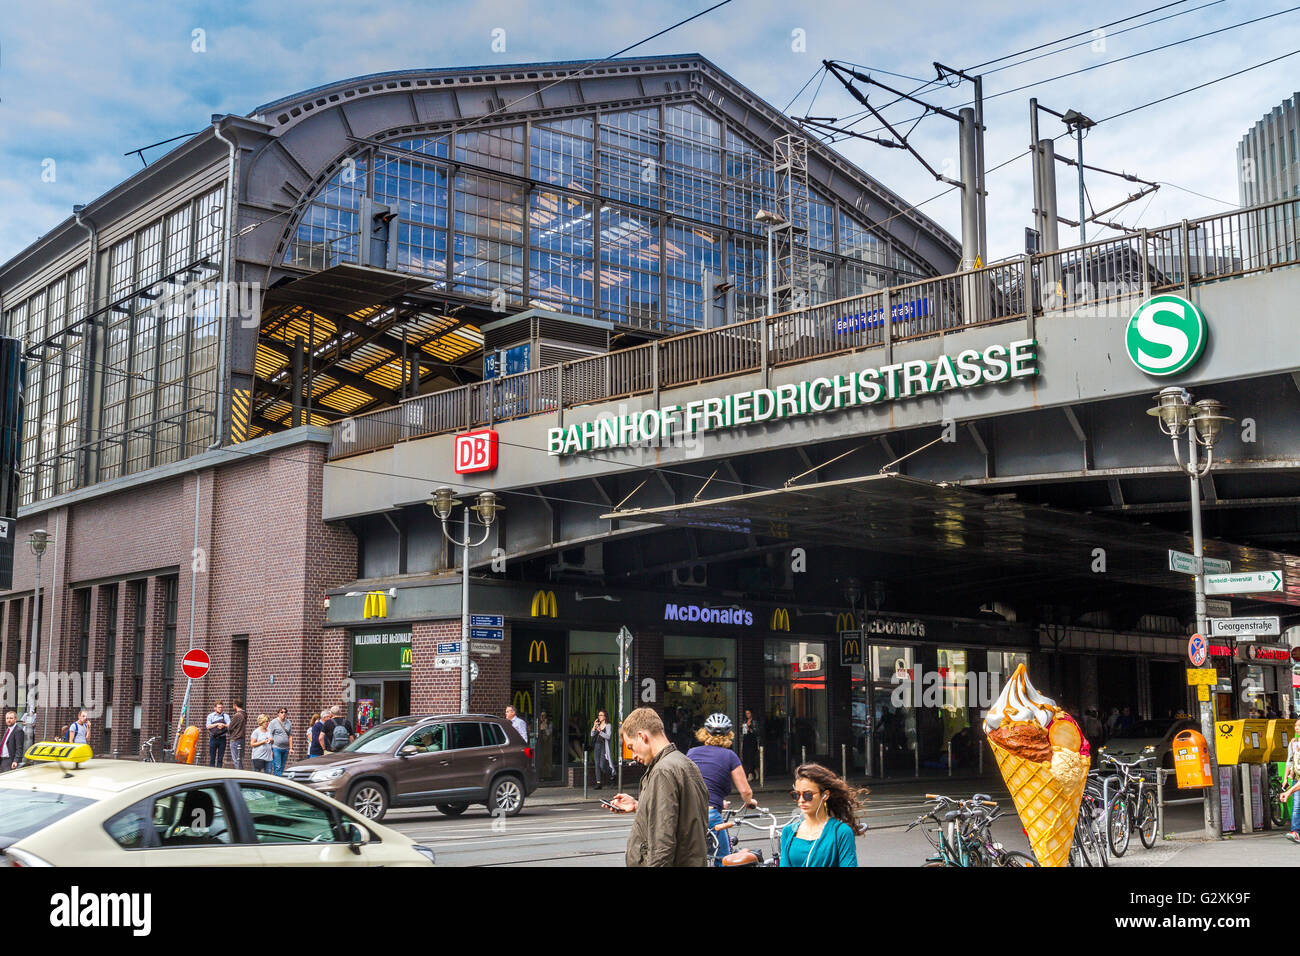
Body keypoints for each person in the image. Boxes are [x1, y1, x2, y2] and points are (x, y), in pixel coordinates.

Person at [606, 707, 709, 867]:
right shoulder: (686, 763)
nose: (633, 755)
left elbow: (662, 844)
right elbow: (680, 817)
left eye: (631, 747)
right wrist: (638, 806)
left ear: (642, 737)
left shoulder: (662, 771)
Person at [686, 713, 757, 865]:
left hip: (688, 814)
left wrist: (719, 802)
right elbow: (745, 791)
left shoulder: (691, 753)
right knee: (724, 860)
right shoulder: (730, 756)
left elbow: (693, 783)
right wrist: (750, 802)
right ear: (729, 735)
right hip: (710, 815)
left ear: (704, 733)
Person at [779, 763, 864, 867]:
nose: (801, 800)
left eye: (808, 795)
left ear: (825, 795)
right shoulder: (788, 832)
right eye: (796, 795)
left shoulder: (841, 832)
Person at [1280, 718, 1300, 844]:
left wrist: (1288, 792)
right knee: (1297, 805)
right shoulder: (1293, 743)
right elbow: (1289, 761)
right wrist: (1285, 778)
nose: (1297, 727)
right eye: (1296, 725)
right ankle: (1295, 831)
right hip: (1297, 778)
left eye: (1299, 725)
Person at [590, 710, 613, 789]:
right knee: (596, 764)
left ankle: (611, 774)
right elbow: (592, 734)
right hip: (597, 745)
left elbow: (608, 736)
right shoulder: (598, 725)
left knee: (602, 765)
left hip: (604, 746)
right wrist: (594, 726)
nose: (599, 717)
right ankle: (598, 783)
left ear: (605, 716)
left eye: (601, 715)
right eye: (599, 715)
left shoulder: (608, 725)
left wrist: (600, 731)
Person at [268, 708, 292, 775]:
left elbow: (290, 736)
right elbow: (269, 734)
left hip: (285, 748)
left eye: (285, 712)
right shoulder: (273, 722)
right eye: (281, 712)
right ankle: (278, 781)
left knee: (282, 767)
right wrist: (270, 748)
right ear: (278, 713)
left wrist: (291, 748)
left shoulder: (289, 723)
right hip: (276, 748)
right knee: (277, 766)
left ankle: (278, 779)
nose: (283, 714)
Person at [206, 701, 229, 767]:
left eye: (221, 707)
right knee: (212, 757)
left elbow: (229, 725)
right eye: (219, 707)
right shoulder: (210, 716)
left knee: (220, 758)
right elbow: (208, 726)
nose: (220, 709)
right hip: (213, 738)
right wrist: (217, 724)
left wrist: (223, 725)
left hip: (222, 738)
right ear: (215, 708)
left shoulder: (226, 716)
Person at [740, 709, 759, 781]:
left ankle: (750, 775)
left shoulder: (755, 721)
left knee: (751, 757)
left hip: (752, 740)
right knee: (745, 757)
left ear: (751, 713)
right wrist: (742, 728)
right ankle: (755, 771)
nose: (747, 715)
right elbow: (742, 732)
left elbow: (757, 732)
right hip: (746, 740)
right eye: (746, 713)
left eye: (748, 713)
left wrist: (750, 729)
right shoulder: (744, 721)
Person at [227, 701, 247, 769]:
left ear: (235, 705)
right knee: (239, 759)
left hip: (235, 739)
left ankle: (240, 774)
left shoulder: (237, 715)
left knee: (236, 759)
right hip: (241, 739)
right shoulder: (244, 714)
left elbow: (230, 727)